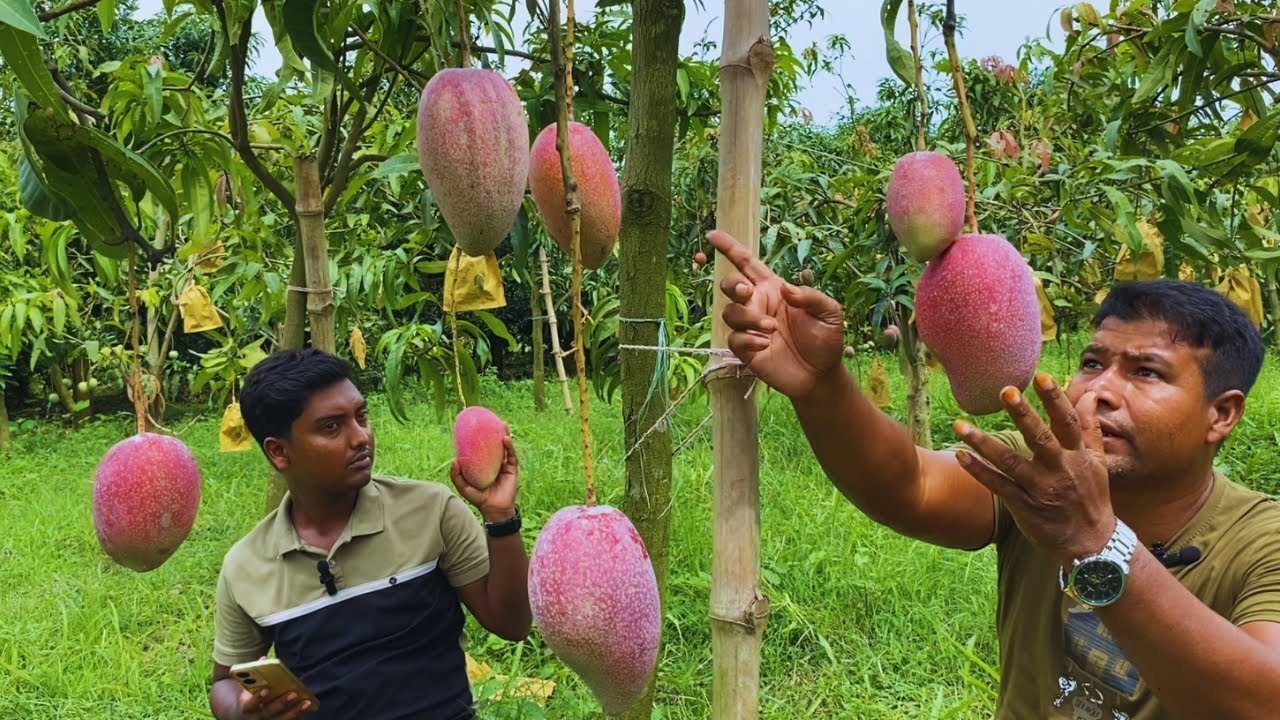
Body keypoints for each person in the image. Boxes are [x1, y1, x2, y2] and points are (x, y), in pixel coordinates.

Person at [707, 229, 1280, 719]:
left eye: (1146, 372)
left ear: (1222, 414)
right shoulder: (1042, 474)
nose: (1101, 390)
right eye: (1093, 363)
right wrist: (821, 385)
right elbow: (909, 484)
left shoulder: (1262, 541)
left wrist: (1096, 543)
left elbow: (1263, 700)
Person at [208, 349, 530, 720]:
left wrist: (500, 516)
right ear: (279, 452)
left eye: (361, 417)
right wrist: (240, 710)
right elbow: (224, 682)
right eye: (332, 427)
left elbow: (513, 624)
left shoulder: (431, 512)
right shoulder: (246, 567)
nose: (361, 437)